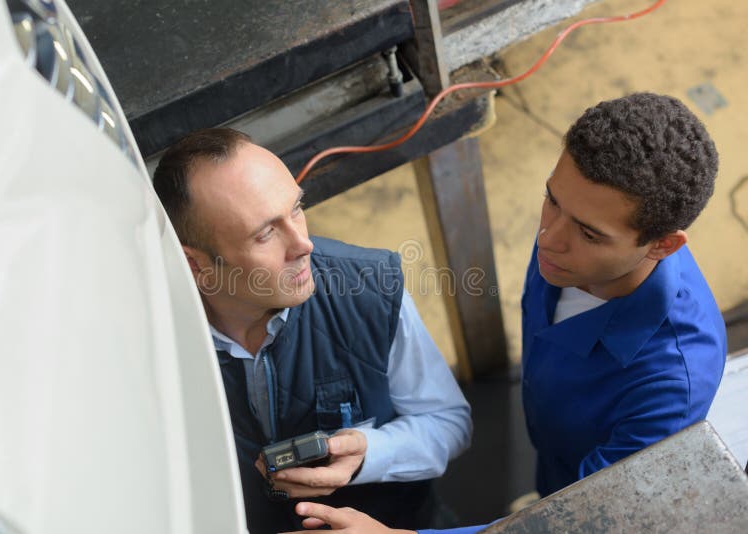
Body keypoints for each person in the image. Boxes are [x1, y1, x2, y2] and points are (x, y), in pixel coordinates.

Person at [285, 92, 727, 533]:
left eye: (589, 234)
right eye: (551, 200)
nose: (548, 238)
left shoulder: (670, 387)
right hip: (555, 452)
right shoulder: (569, 244)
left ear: (662, 245)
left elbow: (586, 519)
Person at [151, 128, 472, 534]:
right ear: (195, 265)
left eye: (297, 208)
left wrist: (369, 454)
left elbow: (448, 422)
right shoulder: (148, 341)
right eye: (265, 233)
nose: (304, 244)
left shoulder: (370, 291)